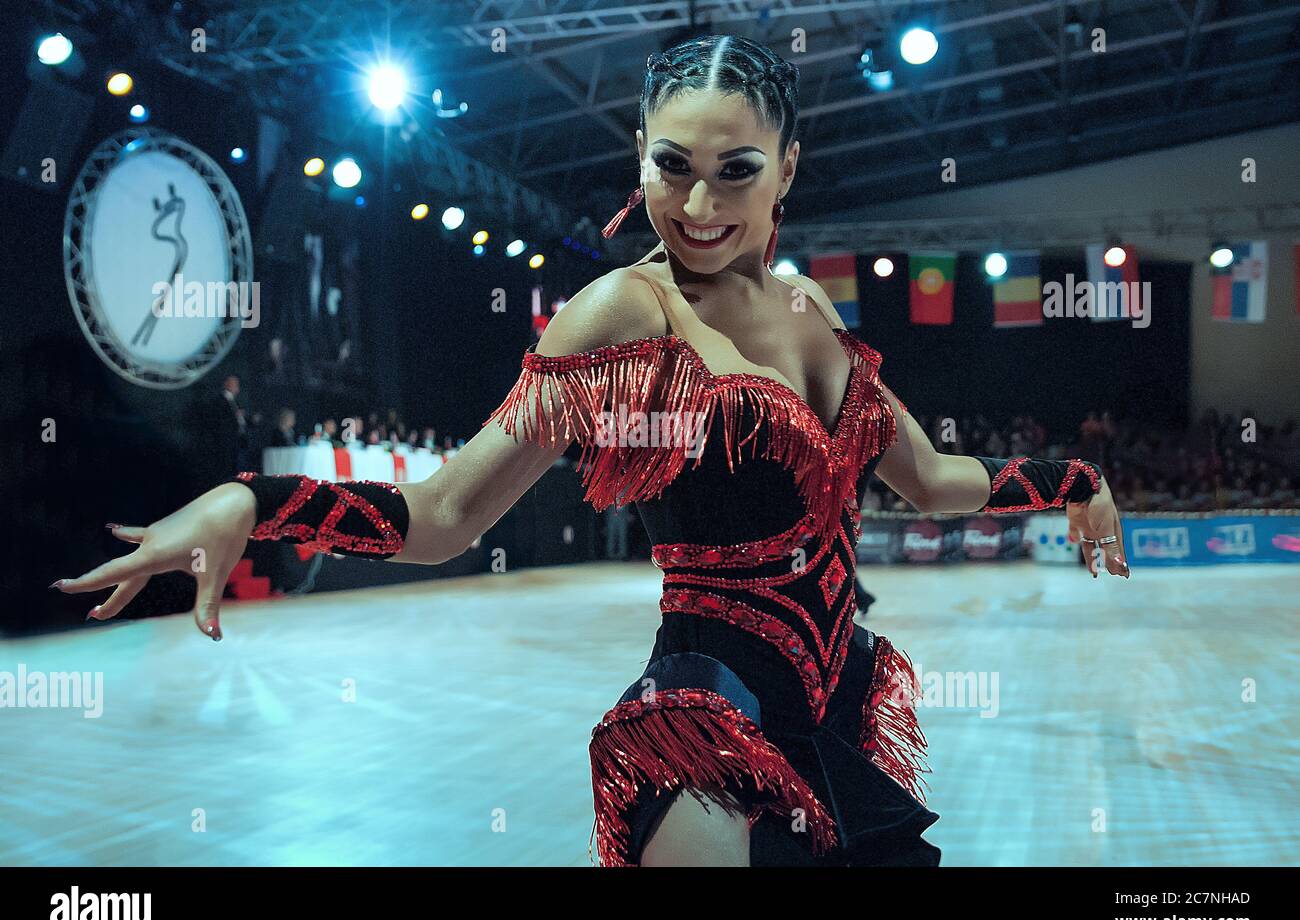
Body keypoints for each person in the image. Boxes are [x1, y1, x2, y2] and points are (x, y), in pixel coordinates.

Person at [51, 34, 1129, 867]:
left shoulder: (815, 315)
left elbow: (934, 482)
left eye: (736, 171)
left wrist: (1076, 479)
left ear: (788, 166)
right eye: (673, 165)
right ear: (639, 155)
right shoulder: (619, 307)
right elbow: (445, 516)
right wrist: (252, 499)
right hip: (708, 710)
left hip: (838, 704)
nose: (699, 205)